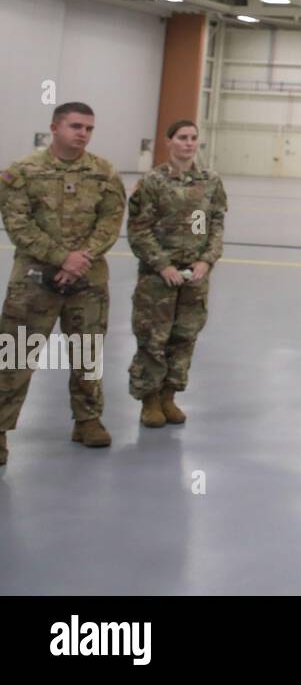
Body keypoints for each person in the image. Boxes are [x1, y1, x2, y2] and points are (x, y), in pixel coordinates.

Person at [0, 102, 125, 463]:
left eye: (88, 128)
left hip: (87, 279)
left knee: (87, 352)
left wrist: (80, 258)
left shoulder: (104, 172)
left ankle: (87, 420)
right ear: (54, 128)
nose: (82, 133)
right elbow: (18, 224)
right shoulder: (22, 172)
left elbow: (111, 220)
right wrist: (61, 257)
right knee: (15, 353)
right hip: (35, 280)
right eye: (75, 126)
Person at [126, 119, 226, 427]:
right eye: (182, 137)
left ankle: (169, 395)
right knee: (153, 338)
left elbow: (216, 224)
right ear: (169, 142)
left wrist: (206, 261)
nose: (188, 143)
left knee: (185, 336)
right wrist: (162, 265)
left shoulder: (210, 181)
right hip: (159, 277)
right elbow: (139, 229)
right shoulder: (153, 181)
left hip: (195, 275)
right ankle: (150, 400)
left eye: (193, 138)